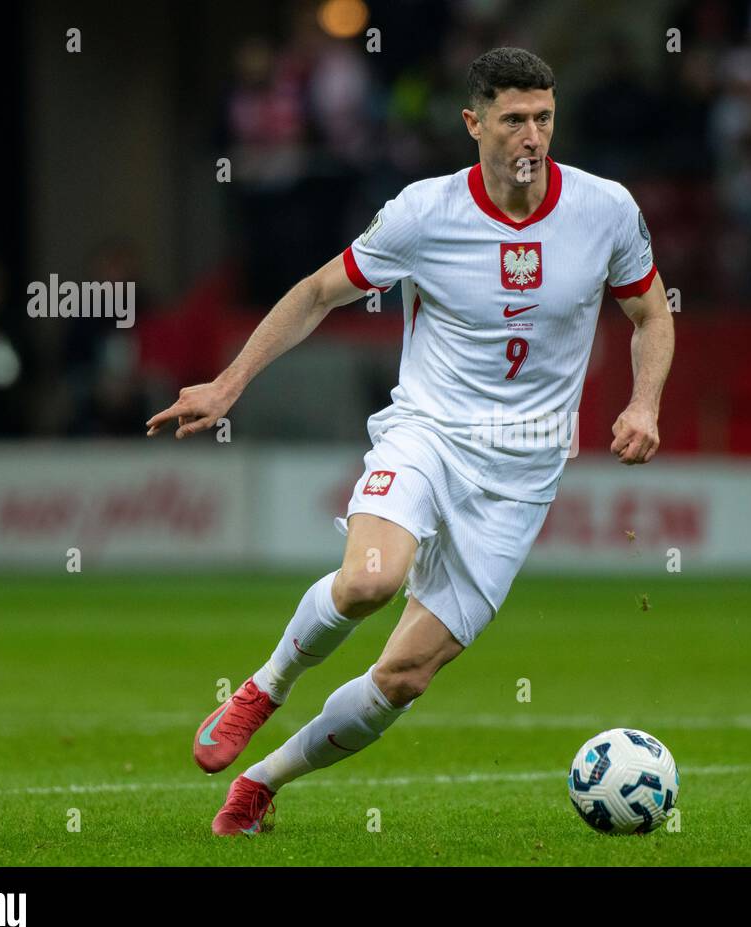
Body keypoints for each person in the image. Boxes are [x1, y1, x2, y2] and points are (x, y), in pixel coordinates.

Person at [146, 47, 674, 836]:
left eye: (544, 119)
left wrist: (644, 403)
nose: (532, 137)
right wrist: (229, 384)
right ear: (473, 124)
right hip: (427, 434)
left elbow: (651, 314)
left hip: (523, 475)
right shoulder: (424, 213)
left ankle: (262, 782)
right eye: (514, 120)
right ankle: (263, 687)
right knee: (368, 580)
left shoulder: (605, 210)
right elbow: (320, 291)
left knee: (403, 677)